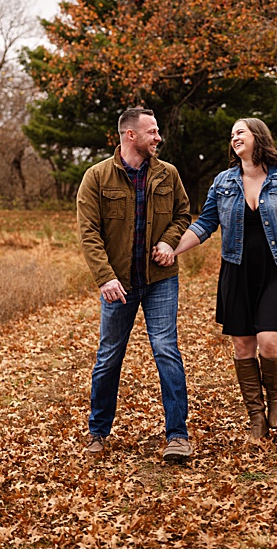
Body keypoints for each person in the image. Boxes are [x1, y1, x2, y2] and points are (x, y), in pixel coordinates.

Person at [168, 118, 277, 443]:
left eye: (240, 132)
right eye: (231, 134)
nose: (234, 138)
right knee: (243, 345)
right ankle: (256, 416)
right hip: (237, 270)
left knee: (270, 343)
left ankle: (274, 396)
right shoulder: (223, 181)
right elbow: (205, 223)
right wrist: (173, 249)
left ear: (258, 136)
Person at [77, 108, 194, 463]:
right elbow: (89, 233)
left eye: (157, 132)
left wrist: (169, 242)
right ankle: (98, 432)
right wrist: (105, 277)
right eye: (152, 132)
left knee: (166, 351)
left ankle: (177, 435)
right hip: (119, 284)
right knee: (109, 356)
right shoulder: (96, 177)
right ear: (131, 135)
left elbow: (183, 214)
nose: (158, 137)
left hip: (160, 281)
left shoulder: (168, 174)